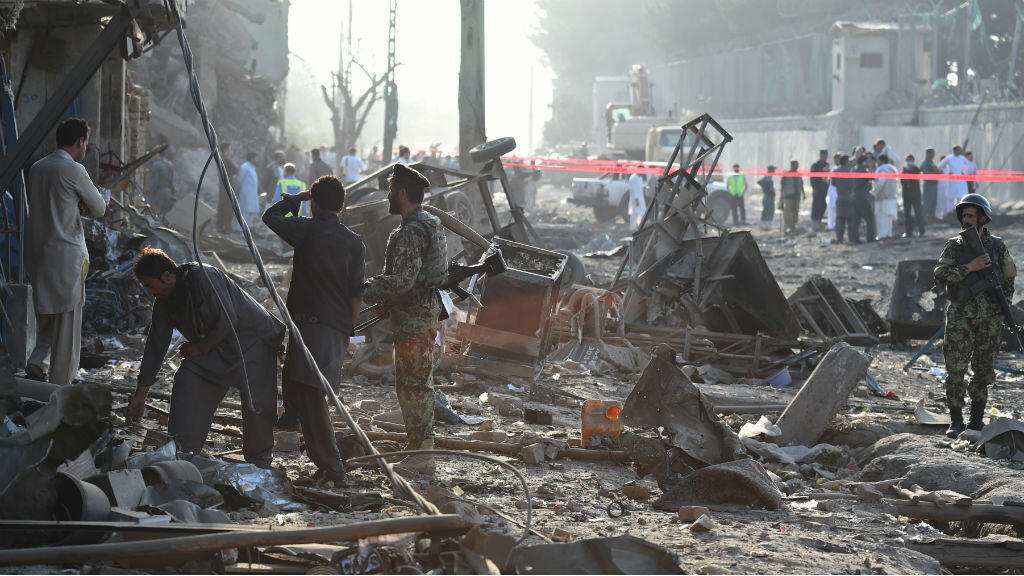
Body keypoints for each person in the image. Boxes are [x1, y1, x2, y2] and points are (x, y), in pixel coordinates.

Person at [127, 248, 285, 466]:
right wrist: (141, 394)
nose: (151, 293)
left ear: (167, 276)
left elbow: (229, 317)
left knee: (256, 406)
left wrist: (200, 347)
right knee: (188, 379)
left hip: (252, 342)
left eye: (151, 286)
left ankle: (259, 464)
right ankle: (182, 454)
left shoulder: (203, 276)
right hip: (214, 351)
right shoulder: (164, 301)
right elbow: (156, 345)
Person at [263, 175, 365, 484]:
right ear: (342, 207)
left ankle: (332, 467)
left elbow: (271, 216)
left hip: (311, 326)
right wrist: (348, 328)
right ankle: (292, 419)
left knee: (311, 394)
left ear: (315, 205)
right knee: (301, 385)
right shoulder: (354, 242)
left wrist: (299, 198)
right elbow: (356, 292)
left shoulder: (307, 229)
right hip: (333, 327)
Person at [362, 164, 447, 476]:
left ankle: (422, 454)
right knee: (414, 383)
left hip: (415, 320)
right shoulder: (430, 222)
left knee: (414, 386)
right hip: (419, 316)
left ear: (401, 193)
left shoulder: (411, 231)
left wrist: (368, 289)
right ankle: (418, 448)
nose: (387, 196)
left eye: (390, 190)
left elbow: (403, 280)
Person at [24, 118, 106, 385]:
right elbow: (99, 208)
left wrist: (75, 202)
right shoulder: (74, 170)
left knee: (48, 316)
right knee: (67, 325)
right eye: (86, 143)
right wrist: (82, 204)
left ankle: (37, 362)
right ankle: (60, 386)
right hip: (66, 256)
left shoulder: (38, 168)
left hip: (39, 254)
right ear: (80, 142)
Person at [933, 194, 1016, 438]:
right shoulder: (954, 246)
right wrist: (970, 267)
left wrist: (1002, 309)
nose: (966, 220)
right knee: (955, 369)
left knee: (983, 370)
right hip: (961, 316)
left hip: (990, 319)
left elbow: (1009, 280)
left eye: (971, 215)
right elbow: (939, 276)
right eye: (964, 216)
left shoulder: (997, 246)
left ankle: (976, 421)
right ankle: (956, 421)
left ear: (983, 218)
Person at [870, 154, 899, 239]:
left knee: (881, 217)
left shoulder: (883, 170)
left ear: (881, 161)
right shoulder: (892, 169)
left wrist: (873, 192)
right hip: (891, 197)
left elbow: (880, 183)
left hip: (883, 198)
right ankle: (888, 234)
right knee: (888, 218)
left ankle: (882, 236)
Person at [851, 155, 876, 242]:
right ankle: (870, 238)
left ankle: (855, 239)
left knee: (856, 219)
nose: (869, 163)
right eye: (867, 161)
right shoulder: (863, 171)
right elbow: (873, 177)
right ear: (863, 163)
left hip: (854, 197)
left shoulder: (854, 170)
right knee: (870, 218)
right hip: (862, 198)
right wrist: (871, 167)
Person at [216, 142, 239, 234]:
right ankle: (227, 228)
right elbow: (236, 170)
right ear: (226, 150)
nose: (230, 151)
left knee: (222, 207)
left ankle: (220, 227)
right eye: (229, 149)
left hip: (223, 187)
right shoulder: (226, 160)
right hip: (227, 187)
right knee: (228, 208)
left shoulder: (220, 159)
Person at [832, 155, 854, 243]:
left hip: (840, 197)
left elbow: (833, 184)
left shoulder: (835, 171)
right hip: (850, 198)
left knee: (840, 219)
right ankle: (851, 238)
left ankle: (839, 238)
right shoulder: (851, 171)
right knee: (851, 220)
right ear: (846, 162)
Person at [901, 154, 925, 237]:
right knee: (907, 214)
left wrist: (910, 171)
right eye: (908, 160)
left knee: (919, 213)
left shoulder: (916, 169)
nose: (909, 162)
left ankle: (921, 231)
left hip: (916, 195)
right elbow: (902, 182)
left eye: (910, 160)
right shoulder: (903, 170)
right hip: (906, 195)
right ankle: (908, 232)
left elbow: (916, 178)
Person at [779, 160, 804, 235]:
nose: (797, 166)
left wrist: (804, 194)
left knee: (795, 212)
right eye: (795, 165)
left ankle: (793, 226)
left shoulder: (799, 174)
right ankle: (787, 227)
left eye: (797, 165)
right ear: (792, 165)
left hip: (797, 196)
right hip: (788, 196)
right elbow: (782, 185)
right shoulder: (786, 174)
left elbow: (801, 184)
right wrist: (781, 195)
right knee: (787, 212)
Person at [148, 147, 176, 214]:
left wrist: (151, 192)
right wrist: (172, 193)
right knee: (165, 213)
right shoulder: (170, 164)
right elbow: (172, 181)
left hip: (159, 191)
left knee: (155, 212)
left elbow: (155, 180)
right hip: (168, 191)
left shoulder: (156, 164)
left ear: (158, 154)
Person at [237, 152, 260, 227]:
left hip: (252, 194)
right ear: (252, 158)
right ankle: (240, 229)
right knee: (244, 211)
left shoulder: (253, 168)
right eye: (256, 158)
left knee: (251, 211)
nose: (257, 160)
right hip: (245, 193)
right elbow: (240, 180)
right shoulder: (245, 167)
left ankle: (249, 228)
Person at [809, 149, 829, 231]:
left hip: (825, 188)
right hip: (817, 188)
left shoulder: (827, 165)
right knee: (816, 205)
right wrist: (813, 188)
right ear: (820, 155)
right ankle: (815, 222)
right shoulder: (815, 165)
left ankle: (819, 221)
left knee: (823, 205)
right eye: (823, 155)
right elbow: (812, 177)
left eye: (826, 155)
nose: (824, 157)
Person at [920, 147, 940, 223]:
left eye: (933, 153)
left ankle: (931, 219)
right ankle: (923, 219)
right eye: (931, 153)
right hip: (928, 185)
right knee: (927, 202)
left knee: (933, 203)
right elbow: (926, 174)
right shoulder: (925, 163)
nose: (933, 154)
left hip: (934, 185)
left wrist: (937, 172)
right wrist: (936, 173)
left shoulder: (932, 162)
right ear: (927, 153)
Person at [826, 153, 841, 230]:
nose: (836, 160)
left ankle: (837, 225)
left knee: (838, 209)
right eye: (835, 159)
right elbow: (829, 181)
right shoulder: (833, 169)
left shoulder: (842, 169)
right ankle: (831, 225)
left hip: (839, 191)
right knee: (831, 208)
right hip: (832, 191)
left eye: (837, 159)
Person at [757, 165, 776, 230]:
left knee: (765, 210)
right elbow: (770, 187)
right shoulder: (768, 177)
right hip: (769, 196)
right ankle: (767, 225)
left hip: (766, 196)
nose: (774, 171)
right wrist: (771, 191)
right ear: (770, 170)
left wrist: (764, 187)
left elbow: (759, 182)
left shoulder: (766, 177)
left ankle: (763, 225)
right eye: (773, 170)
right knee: (770, 210)